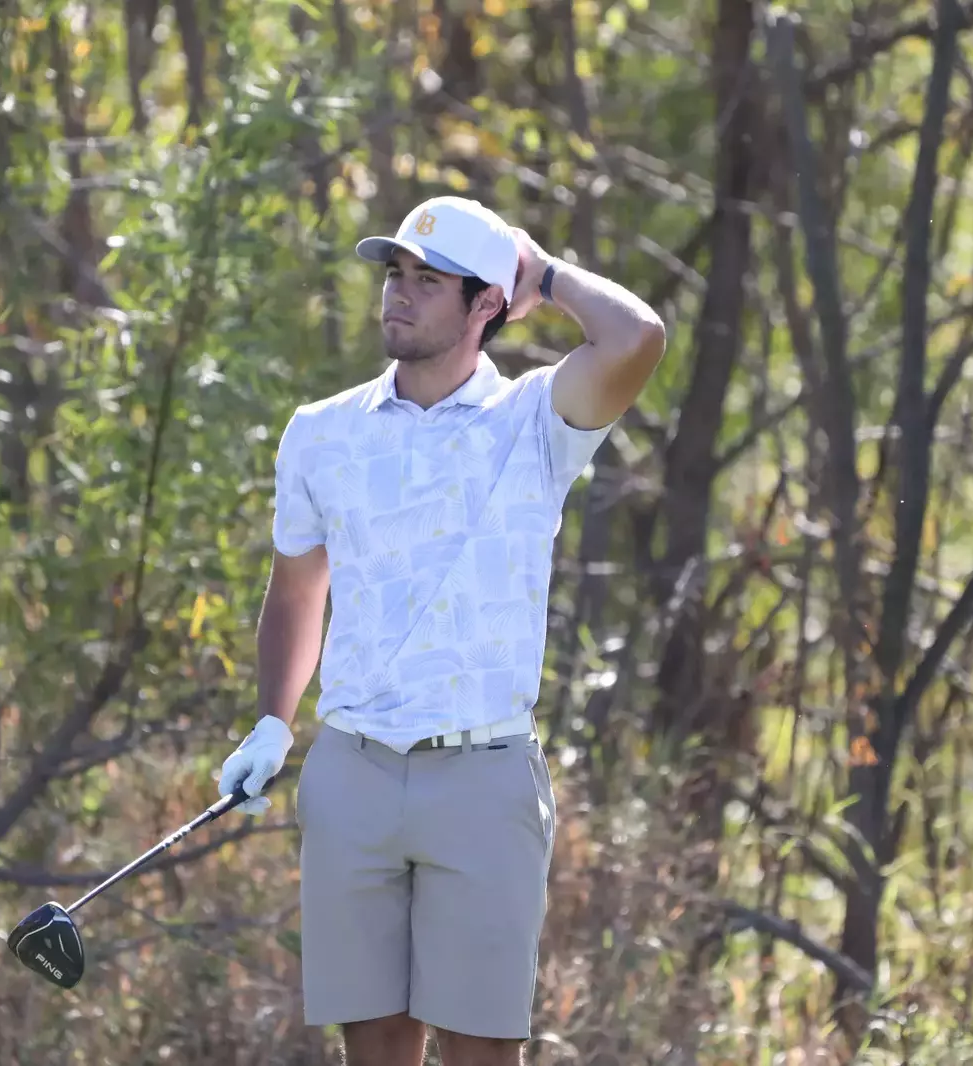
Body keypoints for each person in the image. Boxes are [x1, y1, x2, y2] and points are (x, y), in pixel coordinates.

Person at [218, 195, 668, 1066]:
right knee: (376, 1050)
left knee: (481, 1053)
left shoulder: (539, 421)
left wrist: (543, 274)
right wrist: (274, 720)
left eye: (430, 280)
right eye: (395, 273)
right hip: (353, 771)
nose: (400, 293)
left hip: (483, 780)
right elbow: (297, 589)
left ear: (485, 306)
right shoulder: (320, 433)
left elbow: (638, 337)